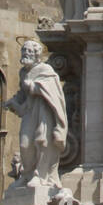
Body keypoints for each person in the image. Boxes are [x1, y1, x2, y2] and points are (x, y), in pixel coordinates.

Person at [4, 40, 68, 188]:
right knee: (25, 144)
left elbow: (54, 91)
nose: (26, 53)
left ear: (37, 55)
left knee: (42, 141)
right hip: (29, 112)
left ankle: (41, 175)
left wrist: (33, 87)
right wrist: (13, 101)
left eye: (30, 51)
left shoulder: (46, 70)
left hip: (44, 112)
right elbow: (22, 93)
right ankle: (27, 174)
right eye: (24, 51)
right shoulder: (23, 72)